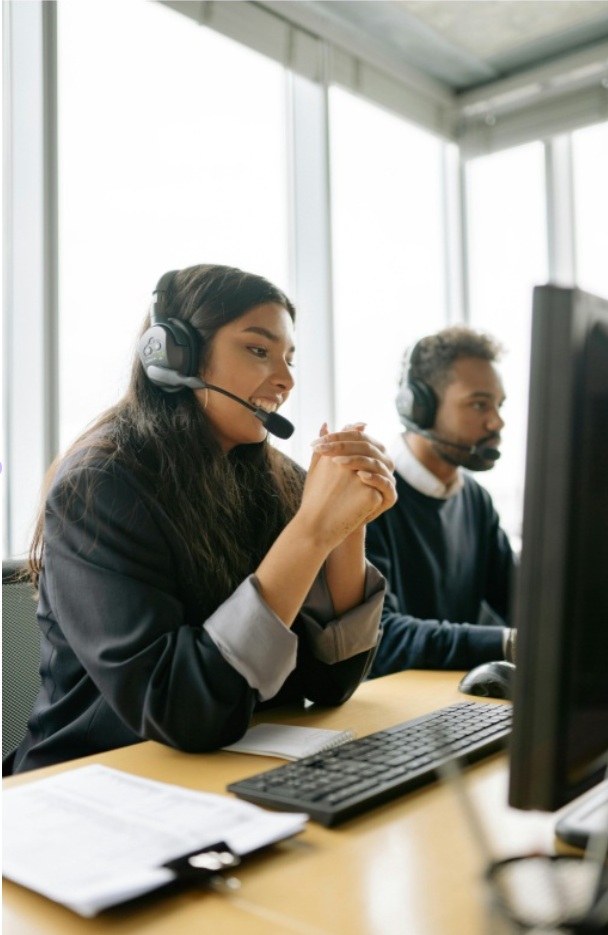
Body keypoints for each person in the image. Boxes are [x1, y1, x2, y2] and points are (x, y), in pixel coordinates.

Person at [8, 264, 396, 774]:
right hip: (97, 779)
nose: (285, 379)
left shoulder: (275, 479)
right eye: (258, 350)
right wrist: (311, 531)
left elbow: (333, 684)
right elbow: (182, 710)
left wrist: (348, 525)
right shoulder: (102, 484)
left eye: (289, 358)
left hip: (230, 772)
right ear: (172, 356)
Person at [366, 325, 516, 676]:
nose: (497, 421)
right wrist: (507, 643)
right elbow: (380, 637)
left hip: (455, 702)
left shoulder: (475, 499)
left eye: (499, 404)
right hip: (393, 706)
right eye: (479, 403)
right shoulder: (370, 495)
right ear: (419, 408)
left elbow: (521, 602)